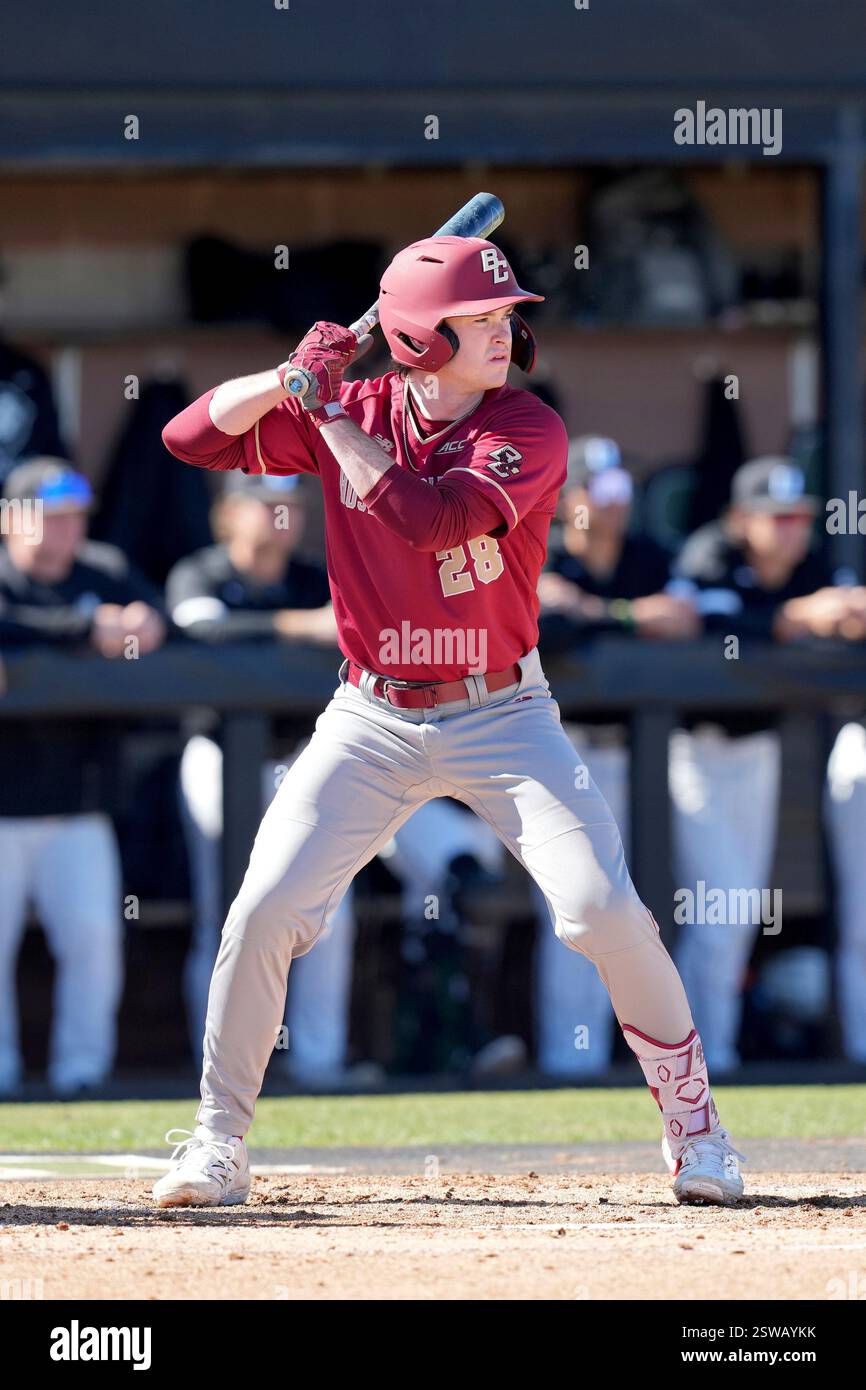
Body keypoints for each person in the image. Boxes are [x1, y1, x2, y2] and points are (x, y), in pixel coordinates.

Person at [153, 234, 745, 1209]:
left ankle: (698, 1133)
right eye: (480, 320)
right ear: (421, 337)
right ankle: (218, 1140)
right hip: (369, 712)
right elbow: (188, 439)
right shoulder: (362, 403)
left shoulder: (526, 426)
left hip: (502, 709)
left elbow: (429, 516)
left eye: (507, 316)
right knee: (261, 912)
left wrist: (327, 413)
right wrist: (282, 378)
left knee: (601, 908)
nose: (505, 332)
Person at [168, 468, 519, 1082]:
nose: (280, 513)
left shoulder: (313, 575)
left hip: (304, 753)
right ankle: (219, 1068)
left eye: (288, 501)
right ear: (229, 512)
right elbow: (195, 626)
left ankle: (319, 1062)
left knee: (329, 908)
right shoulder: (200, 571)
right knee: (229, 906)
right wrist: (299, 627)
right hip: (222, 757)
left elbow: (380, 622)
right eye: (261, 502)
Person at [668, 456, 866, 1073]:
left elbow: (848, 611)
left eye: (798, 517)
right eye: (776, 518)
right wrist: (791, 618)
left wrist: (815, 615)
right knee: (715, 909)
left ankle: (713, 1055)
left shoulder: (810, 564)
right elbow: (703, 626)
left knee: (739, 910)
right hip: (686, 751)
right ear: (740, 519)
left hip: (759, 751)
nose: (790, 530)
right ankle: (703, 1062)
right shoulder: (708, 553)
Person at [0, 458, 166, 1095]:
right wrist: (84, 628)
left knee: (94, 938)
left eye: (74, 518)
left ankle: (82, 1073)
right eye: (50, 517)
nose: (66, 531)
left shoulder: (105, 570)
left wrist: (145, 624)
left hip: (77, 801)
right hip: (4, 803)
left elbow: (161, 613)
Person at [535, 435, 698, 1079]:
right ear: (569, 501)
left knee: (640, 904)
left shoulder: (646, 556)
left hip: (644, 753)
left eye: (619, 494)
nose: (611, 507)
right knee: (576, 905)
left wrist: (607, 612)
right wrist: (619, 617)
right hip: (556, 747)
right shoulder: (541, 554)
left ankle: (649, 1061)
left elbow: (683, 616)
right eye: (598, 494)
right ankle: (564, 1061)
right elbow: (547, 613)